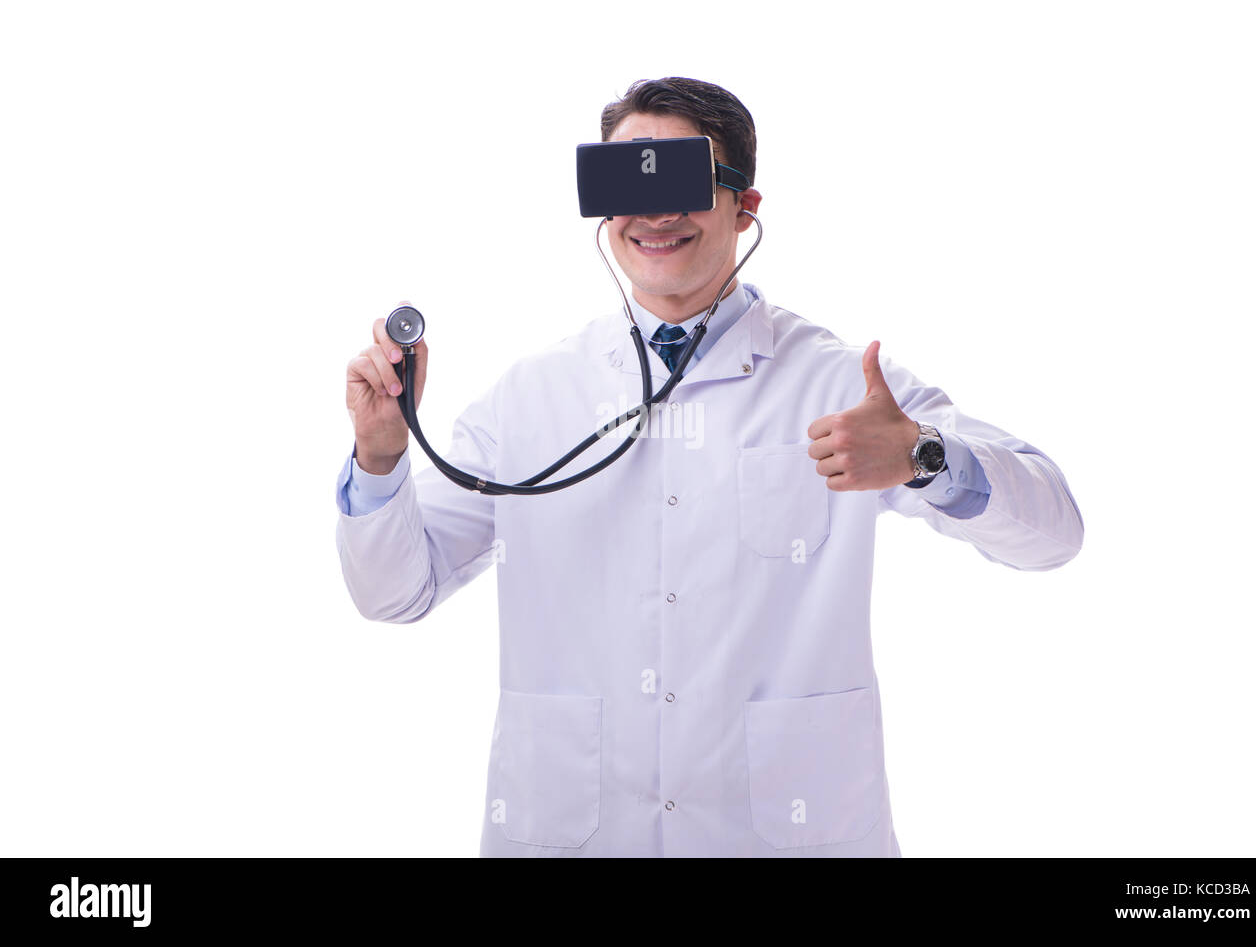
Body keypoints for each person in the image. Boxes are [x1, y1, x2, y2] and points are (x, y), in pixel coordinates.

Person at [335, 77, 1084, 857]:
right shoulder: (530, 398)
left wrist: (925, 456)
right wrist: (381, 458)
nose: (656, 213)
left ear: (745, 206)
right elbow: (392, 593)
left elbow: (1055, 532)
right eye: (630, 182)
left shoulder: (841, 385)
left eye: (685, 182)